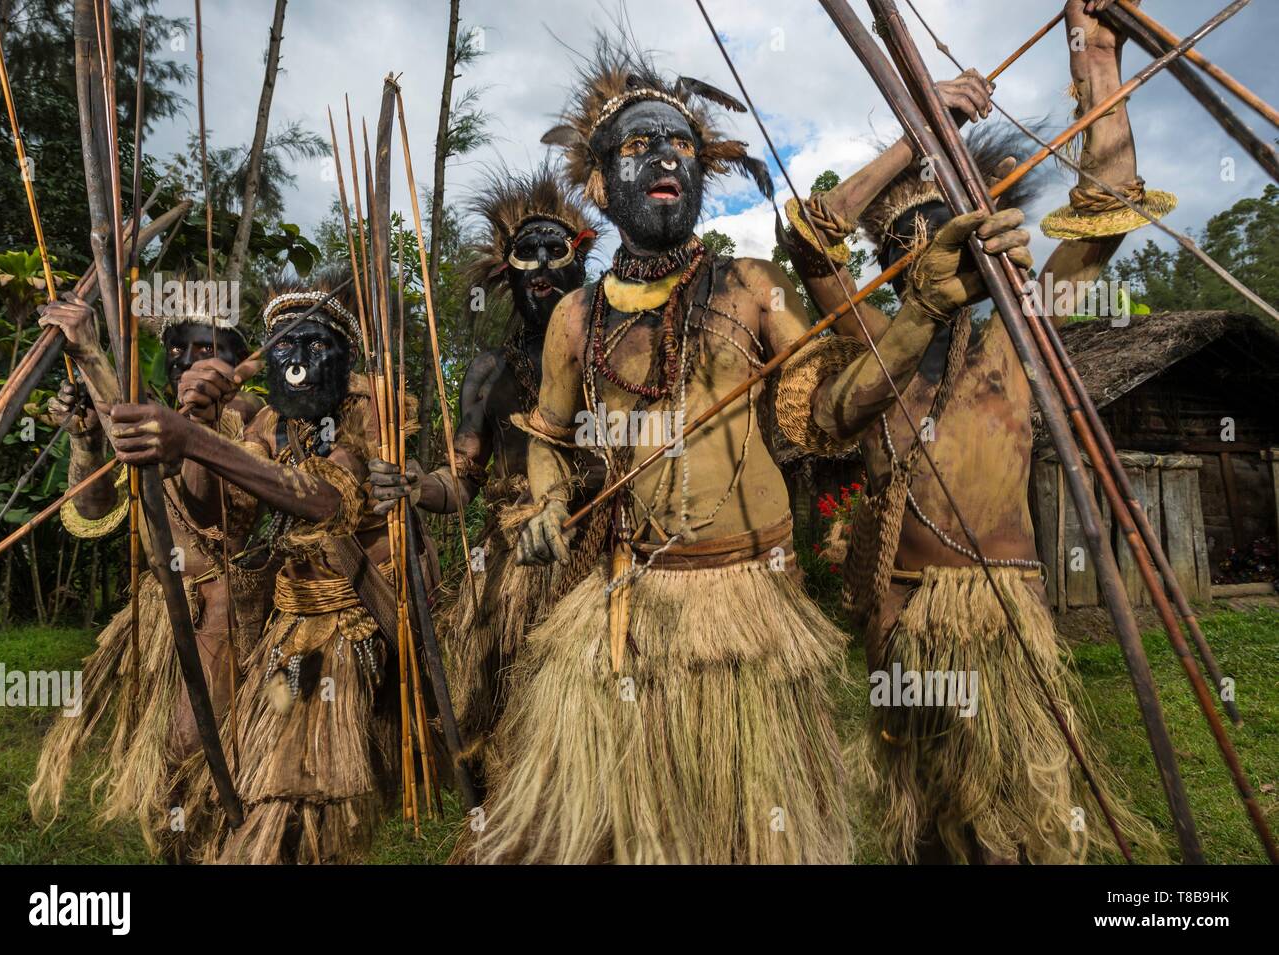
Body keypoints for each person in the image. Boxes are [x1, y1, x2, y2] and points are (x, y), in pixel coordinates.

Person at [455, 37, 1029, 864]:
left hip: (747, 609)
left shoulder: (753, 287)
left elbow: (830, 413)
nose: (666, 159)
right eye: (641, 145)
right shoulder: (574, 321)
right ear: (597, 183)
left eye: (683, 145)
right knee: (615, 835)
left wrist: (922, 313)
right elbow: (549, 439)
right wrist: (545, 501)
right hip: (629, 607)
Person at [780, 0, 1165, 863]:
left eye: (949, 230)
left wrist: (1097, 61)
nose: (932, 250)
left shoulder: (1018, 340)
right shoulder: (873, 342)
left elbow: (1106, 211)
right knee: (925, 821)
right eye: (907, 240)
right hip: (902, 612)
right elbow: (812, 240)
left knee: (1016, 826)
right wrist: (921, 134)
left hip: (1002, 616)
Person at [108, 268, 432, 863]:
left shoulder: (370, 409)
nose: (297, 360)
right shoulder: (268, 423)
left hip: (350, 624)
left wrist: (196, 441)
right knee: (248, 772)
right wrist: (202, 424)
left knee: (302, 797)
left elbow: (326, 499)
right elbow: (217, 512)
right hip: (287, 623)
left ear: (345, 360)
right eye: (284, 345)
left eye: (316, 346)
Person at [369, 164, 601, 790]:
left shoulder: (612, 352)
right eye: (528, 253)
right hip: (511, 562)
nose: (546, 265)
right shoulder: (489, 372)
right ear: (507, 274)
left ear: (581, 262)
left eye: (559, 250)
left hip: (600, 549)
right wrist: (417, 486)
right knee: (504, 722)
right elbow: (462, 480)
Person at [28, 290, 269, 857]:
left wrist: (92, 355)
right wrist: (87, 438)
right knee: (166, 777)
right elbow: (92, 513)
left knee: (201, 754)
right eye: (181, 351)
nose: (193, 362)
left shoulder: (249, 415)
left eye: (209, 350)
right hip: (161, 616)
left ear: (234, 362)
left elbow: (206, 506)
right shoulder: (151, 418)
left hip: (222, 611)